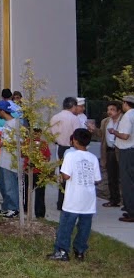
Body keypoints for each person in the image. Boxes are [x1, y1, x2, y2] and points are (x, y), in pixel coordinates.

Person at [47, 128, 101, 261]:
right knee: (84, 227)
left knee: (66, 226)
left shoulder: (70, 155)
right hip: (89, 200)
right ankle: (80, 251)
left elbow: (66, 175)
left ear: (74, 141)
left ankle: (62, 251)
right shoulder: (93, 157)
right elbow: (97, 179)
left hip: (73, 199)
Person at [50, 96, 81, 210]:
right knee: (71, 175)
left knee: (62, 174)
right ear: (73, 106)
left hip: (60, 147)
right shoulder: (74, 119)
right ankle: (70, 201)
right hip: (71, 148)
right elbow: (77, 135)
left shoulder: (55, 117)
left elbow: (51, 134)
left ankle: (61, 201)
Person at [109, 95, 134, 223]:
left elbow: (125, 135)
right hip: (132, 150)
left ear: (125, 103)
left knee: (127, 182)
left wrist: (114, 132)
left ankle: (131, 212)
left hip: (127, 150)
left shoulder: (128, 116)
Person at [0, 100, 20, 218]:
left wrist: (1, 144)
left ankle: (14, 208)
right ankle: (6, 207)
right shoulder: (7, 124)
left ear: (2, 111)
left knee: (10, 185)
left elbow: (17, 141)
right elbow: (6, 139)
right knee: (3, 185)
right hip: (4, 158)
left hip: (11, 160)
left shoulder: (15, 124)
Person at [98, 101, 123, 208]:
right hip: (109, 151)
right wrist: (93, 130)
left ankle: (127, 201)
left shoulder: (124, 121)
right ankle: (114, 199)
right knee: (111, 177)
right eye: (108, 109)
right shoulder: (105, 122)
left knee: (124, 178)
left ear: (119, 111)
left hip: (122, 151)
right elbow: (101, 135)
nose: (109, 112)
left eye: (112, 109)